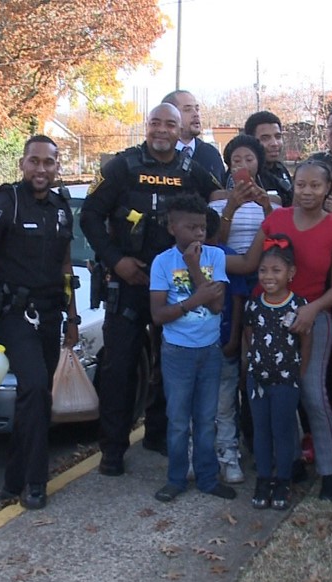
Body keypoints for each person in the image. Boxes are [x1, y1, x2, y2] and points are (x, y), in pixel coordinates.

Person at [80, 103, 221, 475]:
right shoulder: (122, 166)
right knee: (119, 368)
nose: (161, 130)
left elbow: (218, 209)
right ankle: (112, 449)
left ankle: (157, 434)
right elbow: (90, 215)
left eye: (170, 124)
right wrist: (115, 260)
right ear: (147, 127)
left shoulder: (194, 171)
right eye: (155, 122)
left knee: (170, 365)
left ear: (181, 131)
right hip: (128, 281)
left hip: (174, 287)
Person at [228, 159, 332, 501]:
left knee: (311, 392)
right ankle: (289, 463)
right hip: (267, 317)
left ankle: (329, 472)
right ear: (293, 186)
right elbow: (248, 264)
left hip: (313, 316)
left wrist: (311, 309)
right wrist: (196, 259)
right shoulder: (276, 220)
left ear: (328, 188)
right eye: (301, 185)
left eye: (315, 185)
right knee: (275, 393)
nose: (307, 192)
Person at [0, 135, 78, 510]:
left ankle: (14, 479)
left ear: (57, 166)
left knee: (35, 399)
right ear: (22, 164)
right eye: (34, 161)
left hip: (49, 315)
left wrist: (73, 316)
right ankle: (34, 480)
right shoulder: (4, 202)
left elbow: (65, 266)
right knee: (34, 389)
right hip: (13, 313)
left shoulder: (62, 208)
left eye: (49, 162)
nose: (41, 169)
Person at [148, 194, 235, 503]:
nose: (198, 233)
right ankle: (176, 478)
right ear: (172, 227)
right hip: (177, 353)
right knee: (177, 420)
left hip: (209, 350)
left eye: (202, 227)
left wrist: (194, 267)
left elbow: (217, 306)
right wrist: (191, 301)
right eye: (191, 227)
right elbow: (158, 315)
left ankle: (208, 477)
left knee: (206, 418)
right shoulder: (161, 262)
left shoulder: (215, 256)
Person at [243, 234, 312, 510]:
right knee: (261, 431)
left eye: (276, 270)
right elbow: (249, 337)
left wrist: (300, 373)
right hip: (257, 380)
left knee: (282, 430)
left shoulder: (299, 306)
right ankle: (263, 478)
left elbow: (307, 342)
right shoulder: (253, 304)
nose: (268, 276)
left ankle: (283, 480)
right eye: (262, 270)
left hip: (286, 381)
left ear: (291, 273)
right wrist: (248, 370)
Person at [206, 207, 250, 484]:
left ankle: (228, 454)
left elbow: (237, 299)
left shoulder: (227, 257)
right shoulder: (178, 259)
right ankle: (196, 455)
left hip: (223, 345)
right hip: (192, 349)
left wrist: (234, 338)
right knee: (192, 407)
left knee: (225, 406)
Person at [211, 134, 276, 255]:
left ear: (258, 163)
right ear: (230, 166)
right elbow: (215, 243)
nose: (244, 165)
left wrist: (267, 208)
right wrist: (230, 208)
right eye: (236, 160)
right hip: (227, 263)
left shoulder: (273, 200)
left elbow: (277, 239)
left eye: (249, 160)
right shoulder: (218, 197)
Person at [164, 89, 227, 184]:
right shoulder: (156, 154)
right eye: (187, 109)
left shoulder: (211, 154)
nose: (196, 114)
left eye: (197, 109)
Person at [243, 110, 293, 206]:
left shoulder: (281, 169)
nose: (274, 143)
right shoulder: (245, 175)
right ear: (251, 141)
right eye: (265, 138)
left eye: (278, 137)